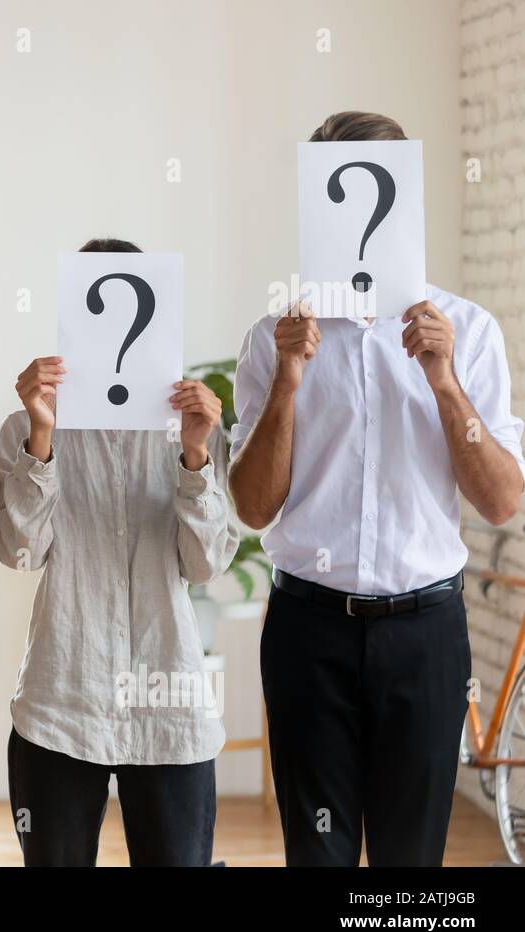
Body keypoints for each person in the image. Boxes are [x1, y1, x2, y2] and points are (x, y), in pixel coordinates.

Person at [229, 111, 525, 867]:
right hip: (309, 633)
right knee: (317, 858)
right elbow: (254, 507)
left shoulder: (469, 332)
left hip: (423, 637)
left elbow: (500, 501)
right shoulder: (275, 338)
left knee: (410, 865)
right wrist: (288, 386)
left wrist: (445, 383)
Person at [0, 237, 237, 867]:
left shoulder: (194, 427)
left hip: (171, 709)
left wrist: (193, 459)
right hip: (61, 701)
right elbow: (20, 553)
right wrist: (42, 437)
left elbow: (207, 564)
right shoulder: (26, 426)